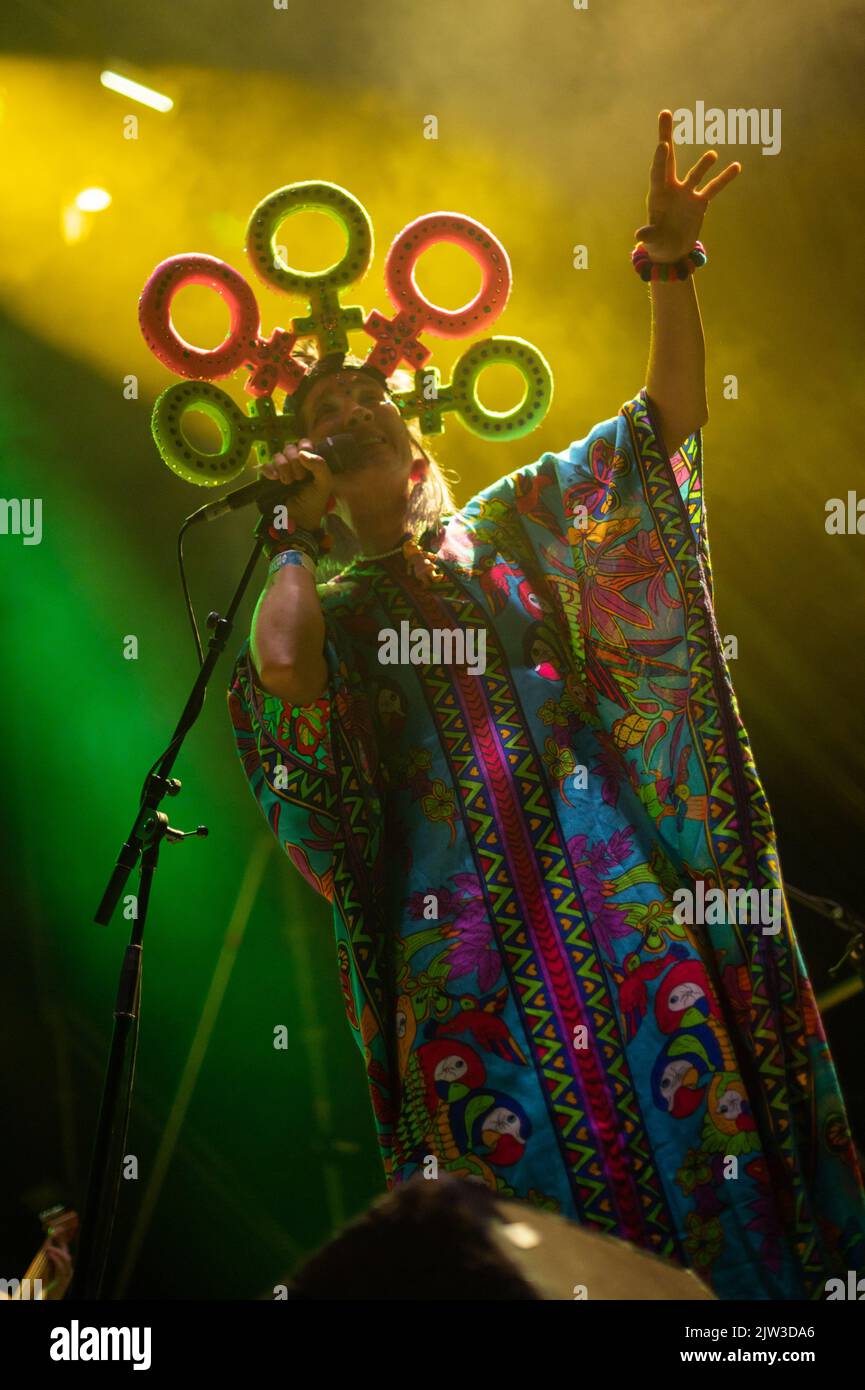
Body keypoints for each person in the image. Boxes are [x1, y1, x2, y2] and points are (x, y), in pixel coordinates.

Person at [226, 111, 865, 1299]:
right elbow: (278, 667)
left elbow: (663, 426)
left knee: (702, 1163)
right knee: (518, 1243)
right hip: (459, 960)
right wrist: (290, 522)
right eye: (319, 421)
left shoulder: (519, 520)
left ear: (415, 423)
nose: (346, 419)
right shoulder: (322, 592)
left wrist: (668, 265)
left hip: (616, 907)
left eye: (366, 400)